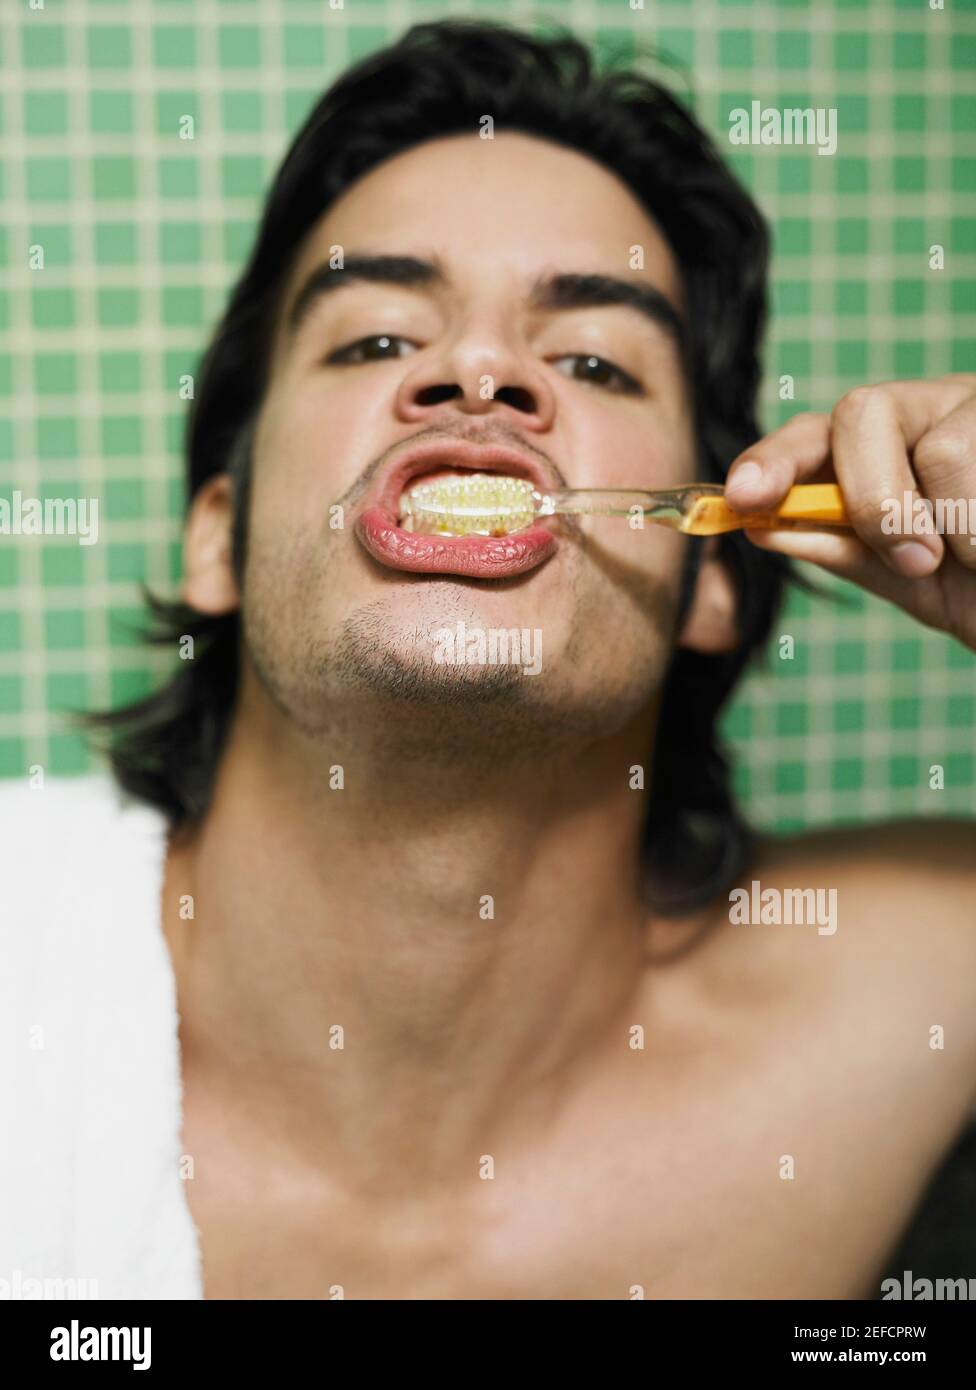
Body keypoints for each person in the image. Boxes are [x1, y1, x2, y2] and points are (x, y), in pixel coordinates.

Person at [2, 19, 974, 1301]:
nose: (478, 371)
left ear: (717, 576)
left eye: (591, 360)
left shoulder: (925, 994)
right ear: (219, 538)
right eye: (374, 339)